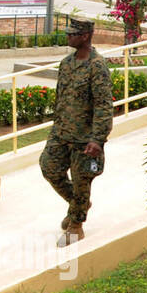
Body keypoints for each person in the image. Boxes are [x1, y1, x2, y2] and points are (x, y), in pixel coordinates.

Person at [38, 18, 112, 247]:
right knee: (48, 167)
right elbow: (61, 97)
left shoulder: (97, 66)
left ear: (85, 36)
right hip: (62, 131)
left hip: (85, 137)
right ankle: (78, 203)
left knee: (82, 181)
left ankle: (76, 225)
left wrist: (97, 138)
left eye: (73, 34)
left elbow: (103, 104)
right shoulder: (67, 63)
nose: (68, 37)